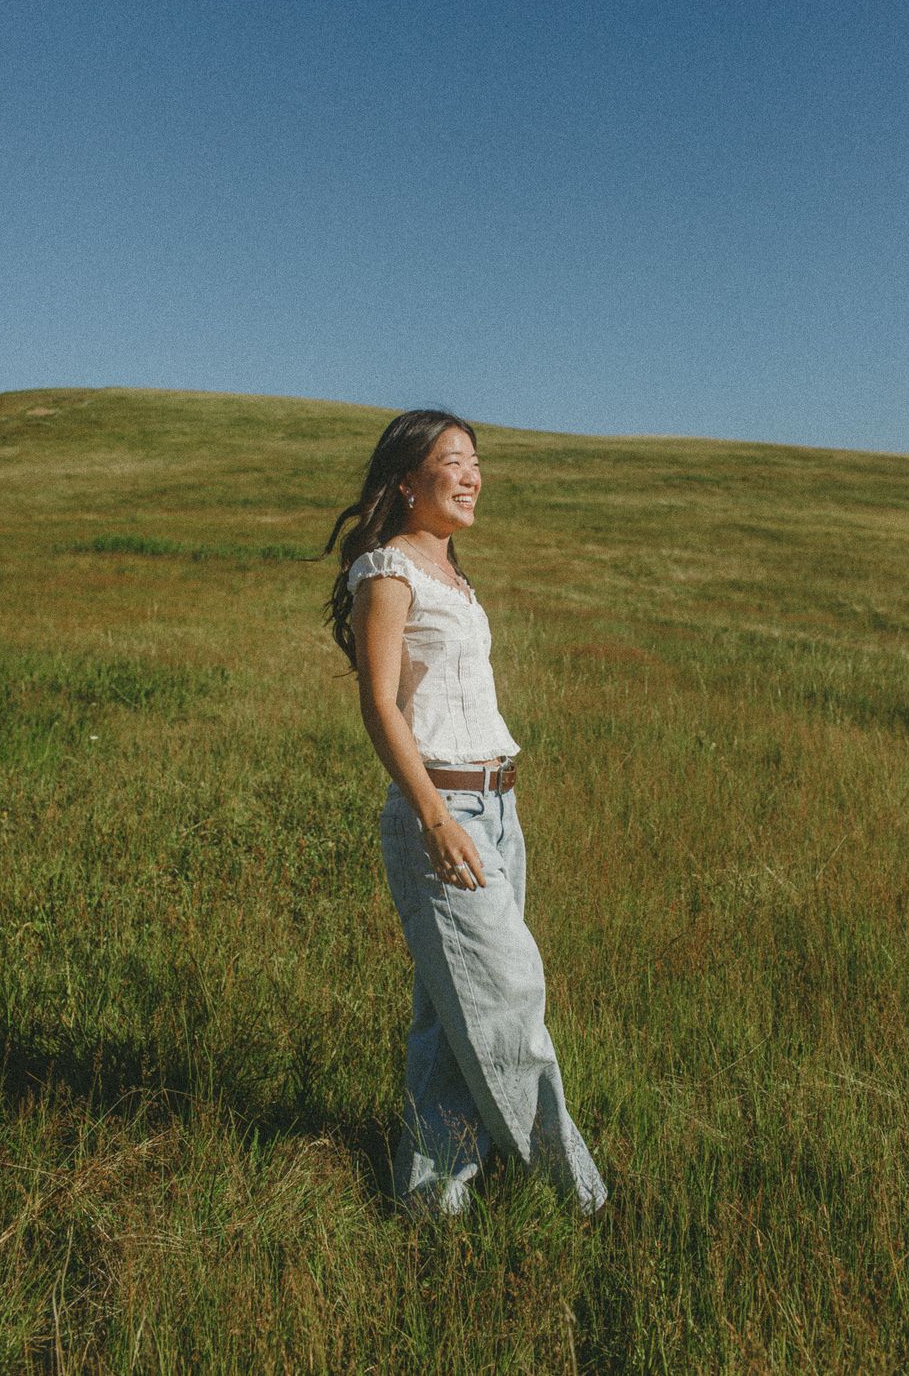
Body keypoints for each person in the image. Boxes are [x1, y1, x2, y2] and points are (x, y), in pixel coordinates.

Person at [323, 410, 606, 1218]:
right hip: (441, 811)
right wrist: (434, 818)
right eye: (453, 460)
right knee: (511, 998)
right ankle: (577, 1197)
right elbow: (381, 705)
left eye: (477, 460)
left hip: (499, 809)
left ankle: (431, 1200)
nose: (472, 473)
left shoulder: (456, 577)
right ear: (408, 480)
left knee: (454, 1018)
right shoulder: (388, 569)